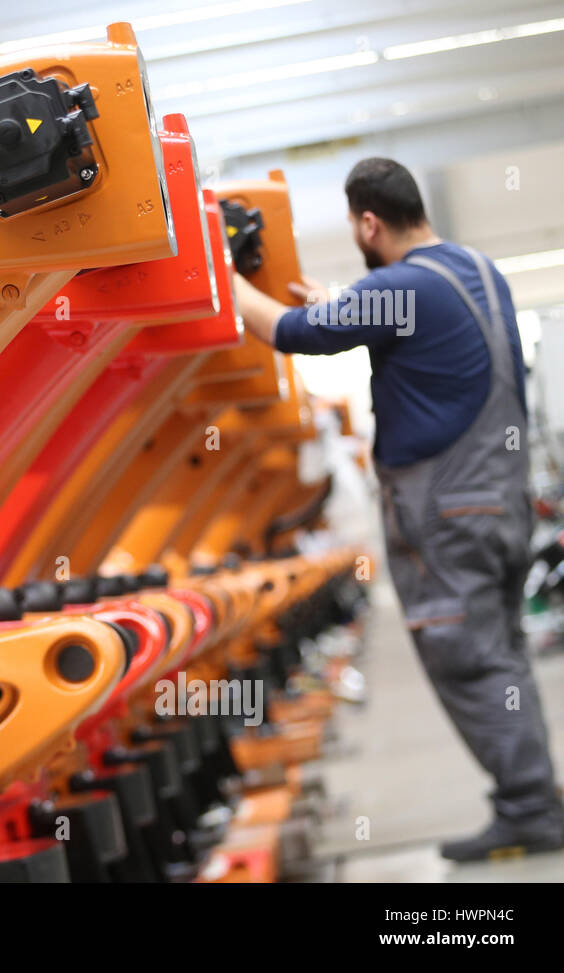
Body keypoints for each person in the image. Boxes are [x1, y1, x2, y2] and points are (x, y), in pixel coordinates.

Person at [233, 157, 563, 862]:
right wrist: (337, 303)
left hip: (447, 509)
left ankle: (532, 807)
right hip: (497, 500)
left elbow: (293, 332)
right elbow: (398, 324)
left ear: (368, 222)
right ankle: (532, 799)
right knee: (498, 654)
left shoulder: (400, 287)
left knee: (470, 657)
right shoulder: (472, 268)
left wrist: (223, 282)